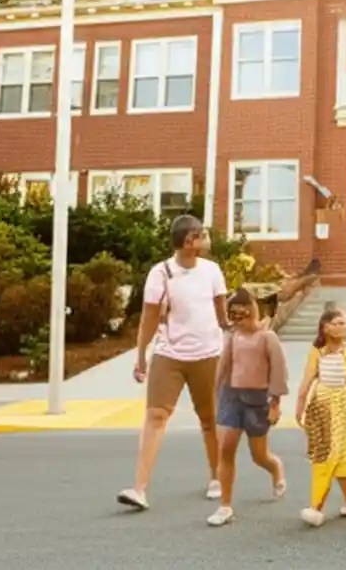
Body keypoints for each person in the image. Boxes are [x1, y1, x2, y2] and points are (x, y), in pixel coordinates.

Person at [118, 214, 228, 511]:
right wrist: (141, 355)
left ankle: (217, 477)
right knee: (155, 415)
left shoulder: (212, 271)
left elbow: (222, 311)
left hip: (208, 353)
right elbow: (149, 317)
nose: (207, 239)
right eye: (202, 235)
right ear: (190, 242)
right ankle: (139, 489)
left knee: (209, 418)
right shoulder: (161, 273)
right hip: (170, 354)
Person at [207, 288, 288, 526]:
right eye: (233, 316)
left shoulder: (267, 337)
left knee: (259, 456)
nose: (238, 320)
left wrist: (275, 402)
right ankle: (225, 505)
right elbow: (223, 366)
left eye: (242, 314)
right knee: (226, 449)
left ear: (252, 311)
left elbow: (278, 371)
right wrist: (215, 393)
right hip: (232, 397)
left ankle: (276, 470)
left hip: (258, 400)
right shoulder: (234, 336)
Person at [294, 307, 346, 527]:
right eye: (337, 322)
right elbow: (308, 378)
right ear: (325, 327)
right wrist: (299, 403)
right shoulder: (318, 351)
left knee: (344, 456)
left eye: (344, 323)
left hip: (345, 407)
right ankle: (317, 505)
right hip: (323, 406)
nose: (342, 326)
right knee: (324, 456)